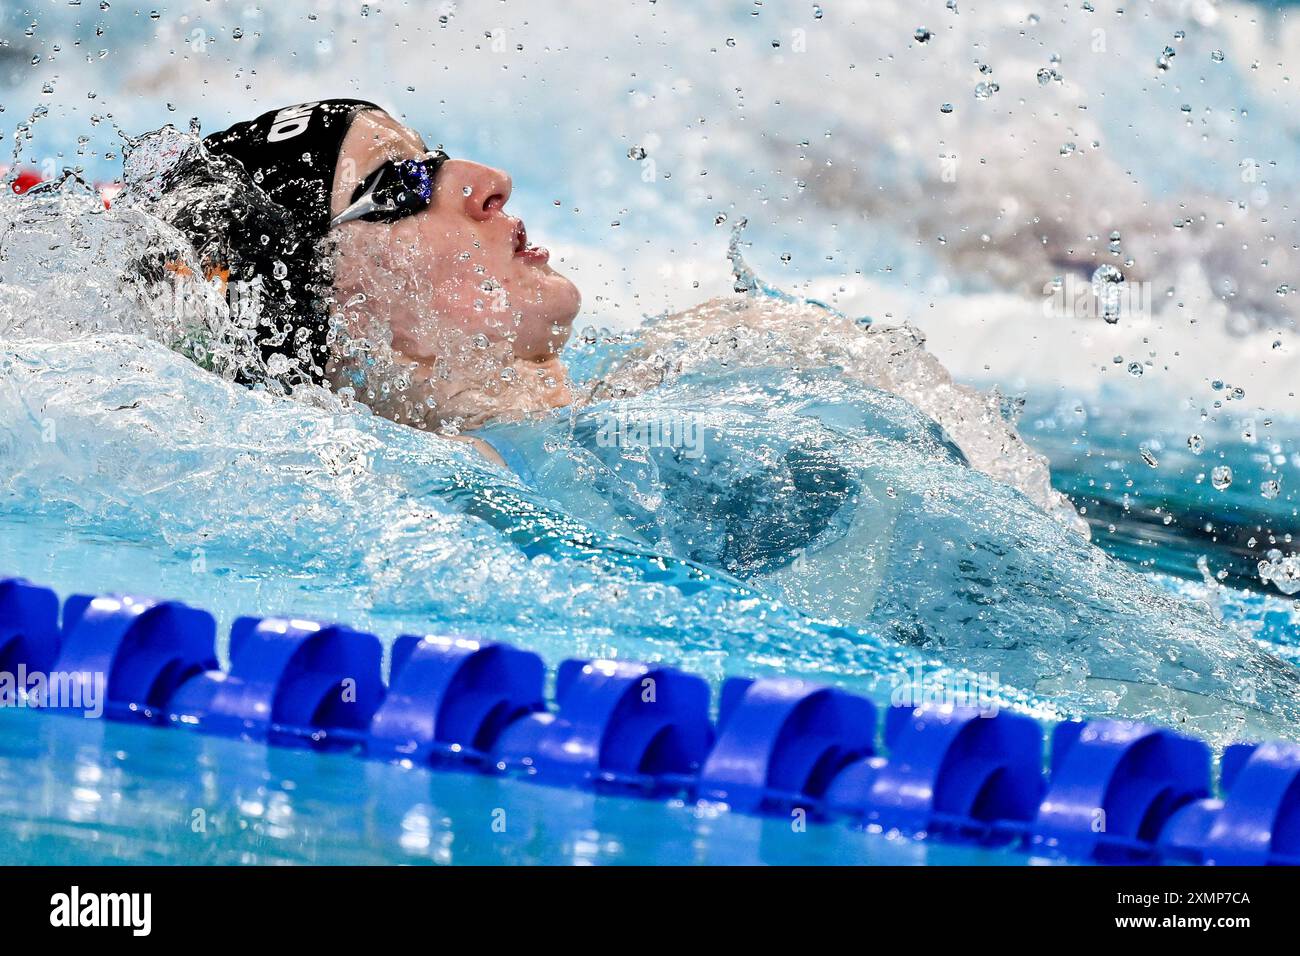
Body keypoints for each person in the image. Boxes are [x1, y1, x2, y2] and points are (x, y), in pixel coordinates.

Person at [157, 98, 580, 464]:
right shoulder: (451, 481)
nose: (494, 181)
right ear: (339, 315)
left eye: (431, 158)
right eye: (399, 184)